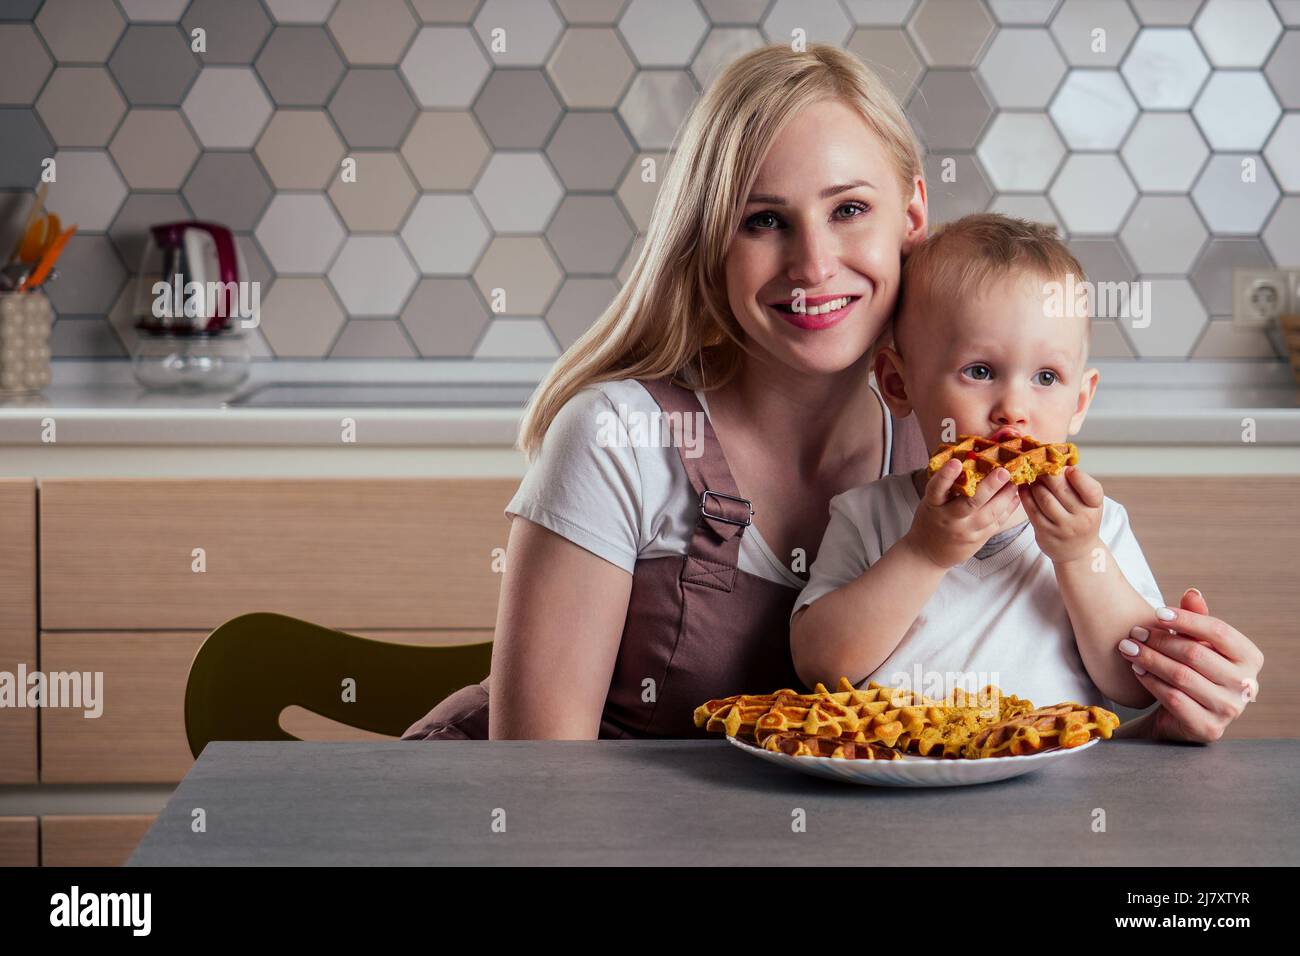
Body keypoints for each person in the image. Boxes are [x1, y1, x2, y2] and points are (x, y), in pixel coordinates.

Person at [400, 43, 1261, 744]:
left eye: (849, 208)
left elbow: (1053, 702)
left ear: (912, 215)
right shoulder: (615, 438)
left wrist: (1182, 700)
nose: (814, 264)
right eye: (763, 220)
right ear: (711, 244)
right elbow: (538, 793)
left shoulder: (962, 433)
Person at [791, 213, 1162, 714]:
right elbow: (819, 665)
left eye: (1047, 378)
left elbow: (1135, 684)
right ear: (899, 385)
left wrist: (1078, 557)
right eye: (980, 371)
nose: (1013, 408)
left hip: (1050, 783)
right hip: (898, 773)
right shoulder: (867, 516)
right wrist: (924, 552)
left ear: (1080, 401)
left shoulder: (1098, 530)